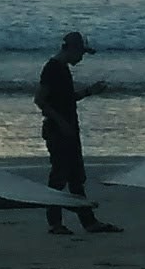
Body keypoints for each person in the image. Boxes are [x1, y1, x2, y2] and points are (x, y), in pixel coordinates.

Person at [34, 31, 109, 233]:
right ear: (72, 49)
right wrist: (61, 122)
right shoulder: (52, 68)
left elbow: (65, 99)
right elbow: (40, 99)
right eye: (81, 53)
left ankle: (89, 222)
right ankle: (55, 223)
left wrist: (88, 92)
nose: (82, 58)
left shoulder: (63, 69)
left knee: (75, 177)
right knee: (59, 177)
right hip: (58, 131)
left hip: (67, 129)